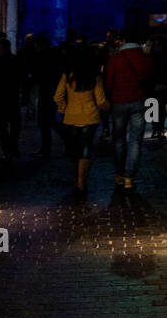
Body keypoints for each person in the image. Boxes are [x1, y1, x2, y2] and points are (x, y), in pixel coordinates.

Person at [53, 44, 109, 196]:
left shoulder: (67, 76)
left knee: (74, 151)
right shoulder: (94, 76)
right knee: (86, 150)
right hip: (90, 117)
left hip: (71, 117)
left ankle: (75, 180)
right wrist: (108, 109)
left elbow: (57, 96)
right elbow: (101, 100)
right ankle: (82, 183)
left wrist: (64, 109)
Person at [105, 28, 152, 188]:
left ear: (123, 40)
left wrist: (110, 100)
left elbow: (109, 83)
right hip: (139, 102)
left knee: (118, 140)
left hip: (118, 102)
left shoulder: (115, 59)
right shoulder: (145, 58)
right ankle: (129, 178)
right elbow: (150, 79)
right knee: (135, 141)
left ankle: (119, 173)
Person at [28, 31, 64, 158]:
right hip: (54, 90)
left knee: (45, 121)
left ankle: (47, 148)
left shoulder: (42, 56)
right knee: (49, 121)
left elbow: (37, 75)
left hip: (46, 91)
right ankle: (49, 147)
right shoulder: (56, 54)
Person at [0, 33, 22, 160]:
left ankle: (12, 146)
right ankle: (7, 149)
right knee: (2, 127)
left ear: (7, 48)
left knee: (15, 126)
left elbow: (21, 78)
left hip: (11, 98)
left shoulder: (15, 61)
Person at [148, 34, 167, 141]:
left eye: (159, 44)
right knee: (152, 109)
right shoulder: (150, 56)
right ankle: (155, 128)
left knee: (159, 109)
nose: (157, 46)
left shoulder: (166, 57)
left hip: (161, 87)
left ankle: (159, 129)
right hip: (152, 87)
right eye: (155, 44)